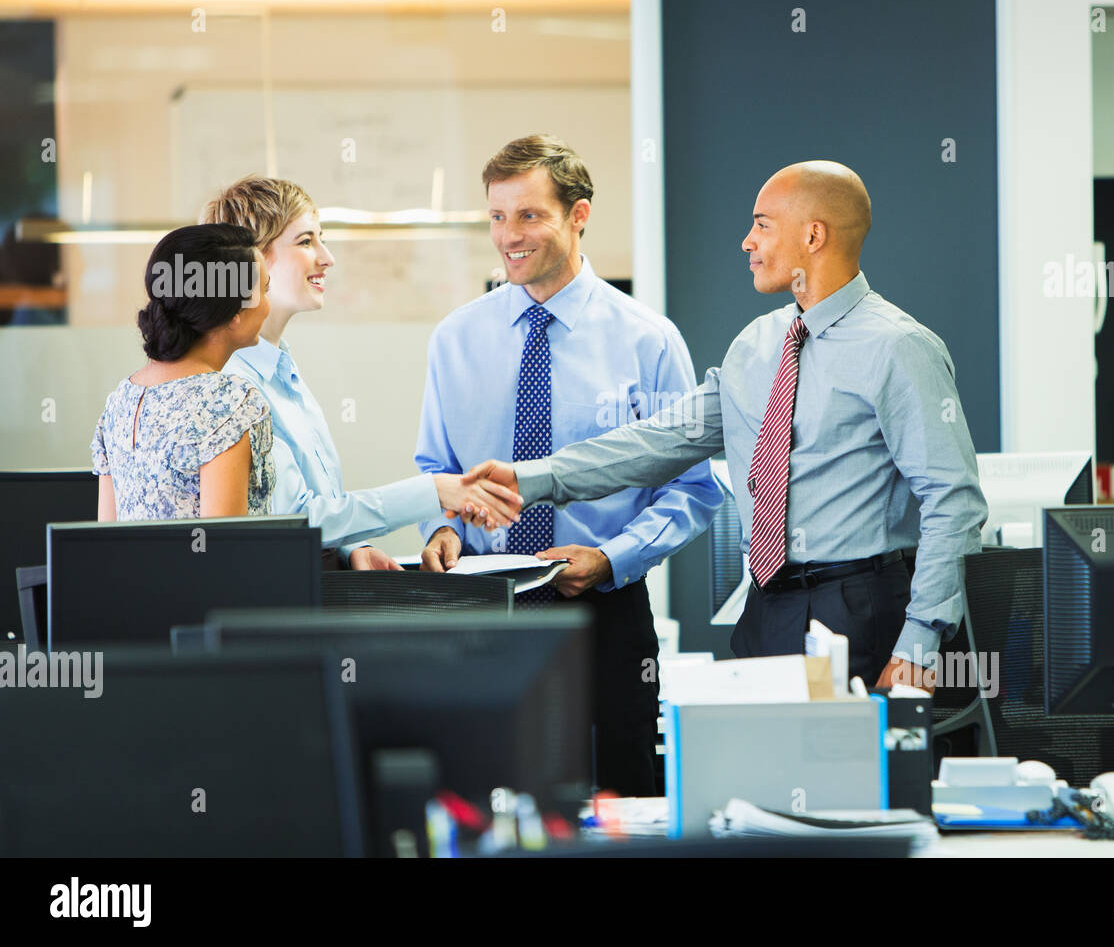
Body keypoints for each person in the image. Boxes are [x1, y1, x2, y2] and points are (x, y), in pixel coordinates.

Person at [461, 160, 988, 693]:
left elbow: (954, 501)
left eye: (762, 224)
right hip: (766, 610)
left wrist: (919, 645)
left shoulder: (898, 347)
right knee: (763, 775)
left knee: (853, 774)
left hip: (861, 612)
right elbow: (659, 441)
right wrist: (529, 480)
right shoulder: (759, 345)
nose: (746, 242)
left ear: (813, 235)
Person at [414, 135, 722, 795]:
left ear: (578, 215)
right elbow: (436, 466)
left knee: (620, 799)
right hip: (482, 610)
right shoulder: (456, 339)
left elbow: (694, 489)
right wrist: (438, 530)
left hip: (603, 613)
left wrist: (614, 559)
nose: (508, 236)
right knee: (482, 800)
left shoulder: (648, 340)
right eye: (497, 216)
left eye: (529, 215)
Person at [201, 175, 520, 569]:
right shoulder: (232, 387)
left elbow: (316, 504)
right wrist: (433, 492)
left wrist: (354, 549)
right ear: (251, 261)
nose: (326, 257)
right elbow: (293, 519)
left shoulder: (281, 369)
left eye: (321, 238)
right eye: (305, 241)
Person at [94, 224, 274, 521]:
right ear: (233, 313)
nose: (268, 305)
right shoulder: (231, 403)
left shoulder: (121, 401)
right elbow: (222, 550)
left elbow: (105, 539)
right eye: (265, 289)